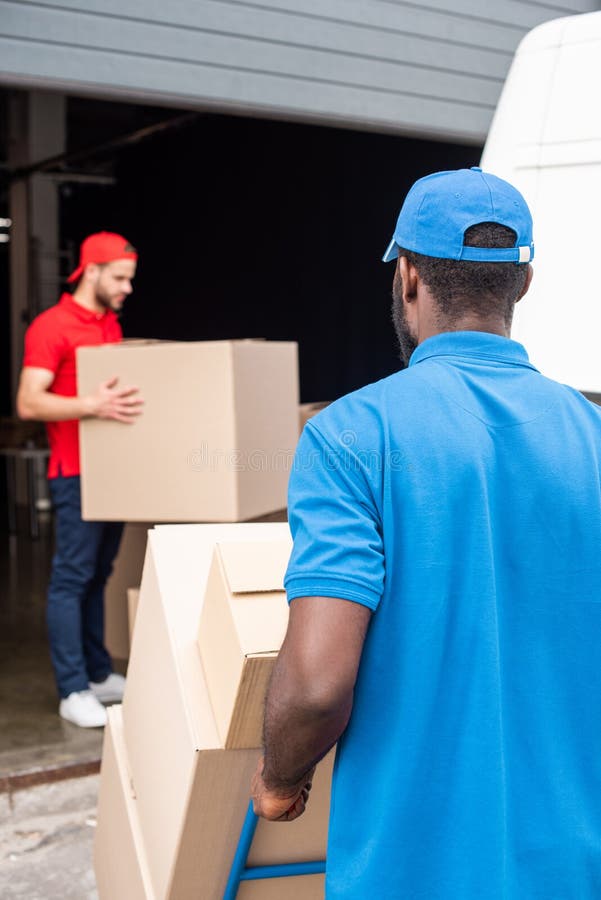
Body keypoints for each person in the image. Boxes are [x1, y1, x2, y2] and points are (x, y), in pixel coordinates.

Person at [251, 168, 601, 897]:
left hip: (409, 872)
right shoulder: (592, 433)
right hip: (573, 865)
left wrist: (277, 777)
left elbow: (317, 683)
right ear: (522, 282)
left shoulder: (351, 434)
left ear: (406, 275)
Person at [16, 232, 143, 729]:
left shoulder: (109, 323)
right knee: (71, 580)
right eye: (119, 278)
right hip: (75, 473)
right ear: (91, 271)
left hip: (112, 472)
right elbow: (28, 401)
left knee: (97, 577)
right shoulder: (52, 326)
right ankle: (72, 689)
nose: (127, 288)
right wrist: (91, 407)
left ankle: (96, 672)